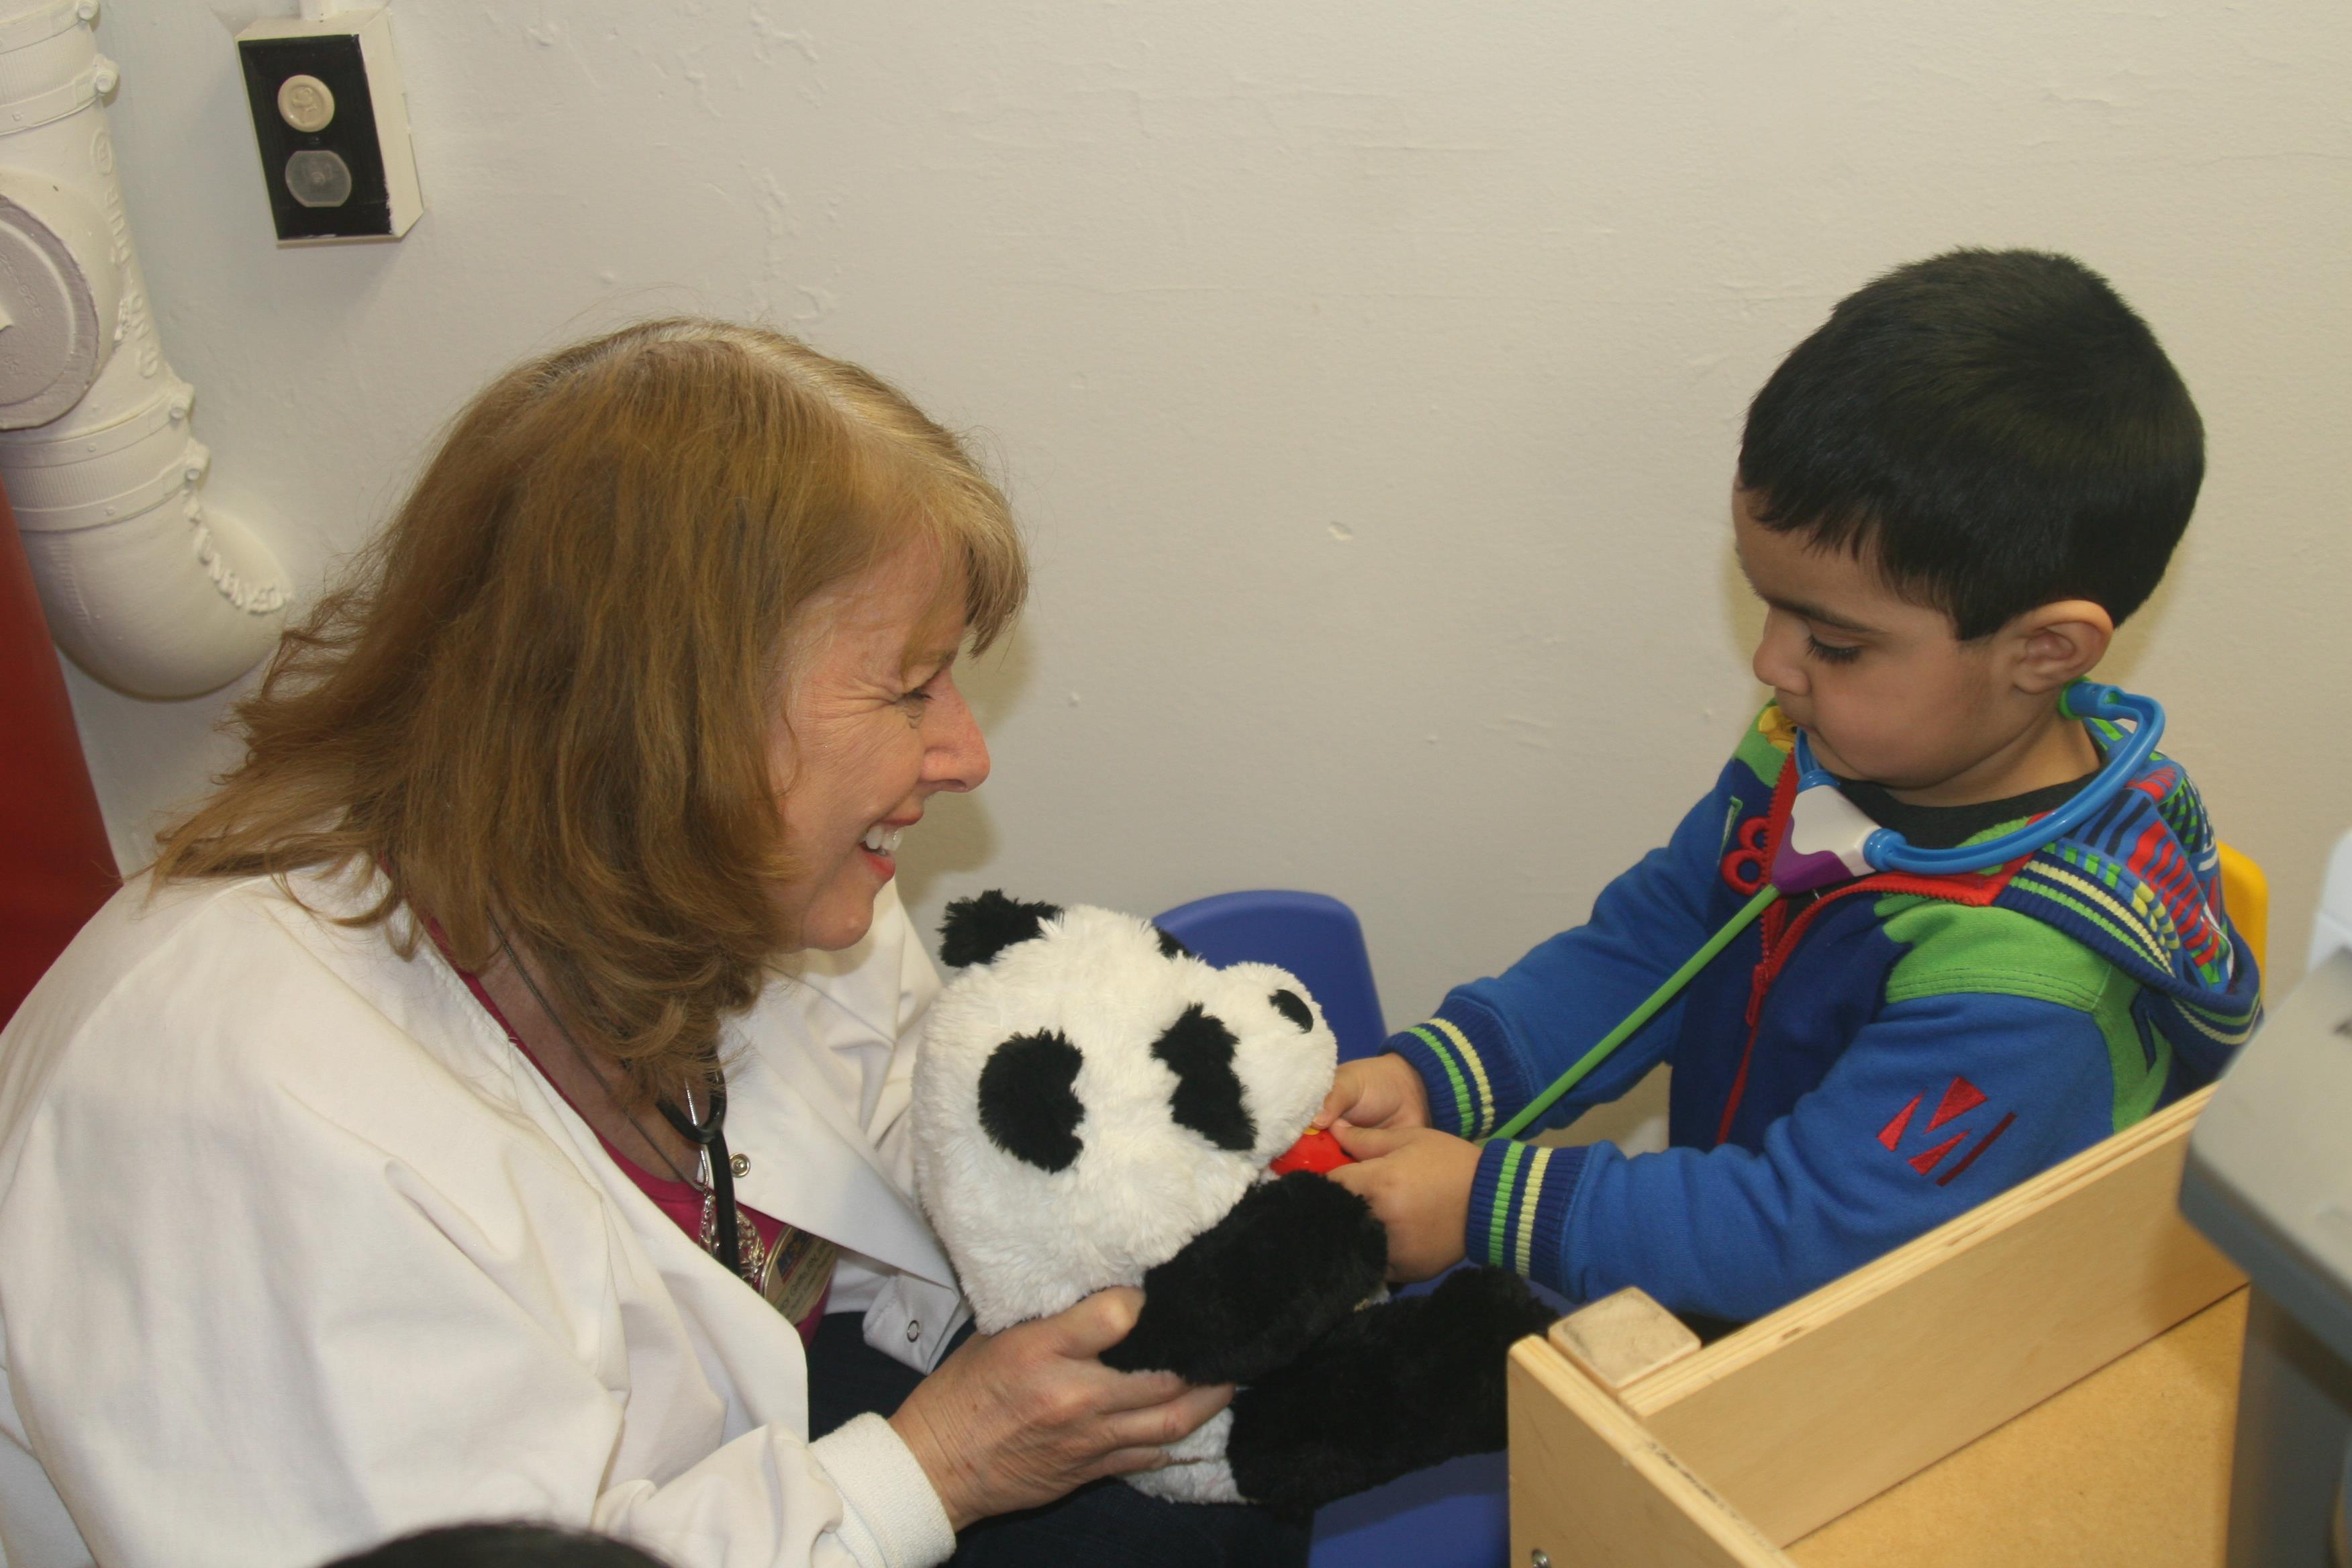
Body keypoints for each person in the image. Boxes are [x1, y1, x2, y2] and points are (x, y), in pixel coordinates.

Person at [0, 320, 1298, 1568]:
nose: (965, 753)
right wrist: (937, 1468)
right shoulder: (239, 1117)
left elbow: (898, 1141)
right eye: (907, 688)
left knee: (1237, 1484)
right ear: (663, 721)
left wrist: (1186, 1195)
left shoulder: (716, 871)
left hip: (738, 1461)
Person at [1316, 249, 2264, 1326]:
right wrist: (1453, 1074)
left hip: (1907, 1356)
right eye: (1770, 606)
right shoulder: (1820, 752)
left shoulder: (2029, 985)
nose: (1772, 664)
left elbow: (1812, 1235)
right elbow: (1667, 935)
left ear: (2044, 652)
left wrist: (1494, 1206)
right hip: (1754, 1269)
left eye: (1837, 642)